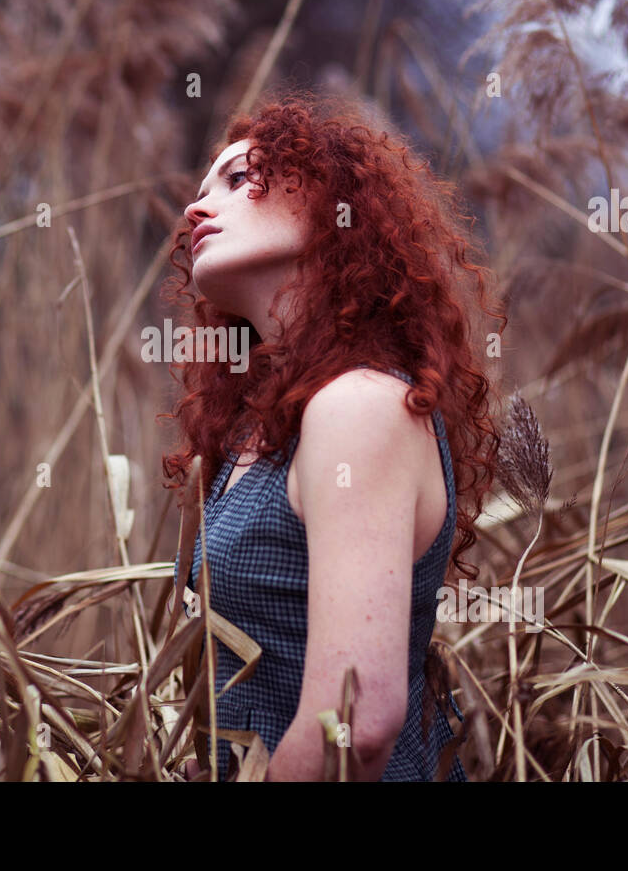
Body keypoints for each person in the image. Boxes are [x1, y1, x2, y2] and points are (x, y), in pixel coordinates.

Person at [162, 89, 507, 781]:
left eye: (238, 179)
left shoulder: (358, 408)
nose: (198, 208)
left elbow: (352, 725)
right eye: (200, 191)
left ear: (327, 199)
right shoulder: (259, 431)